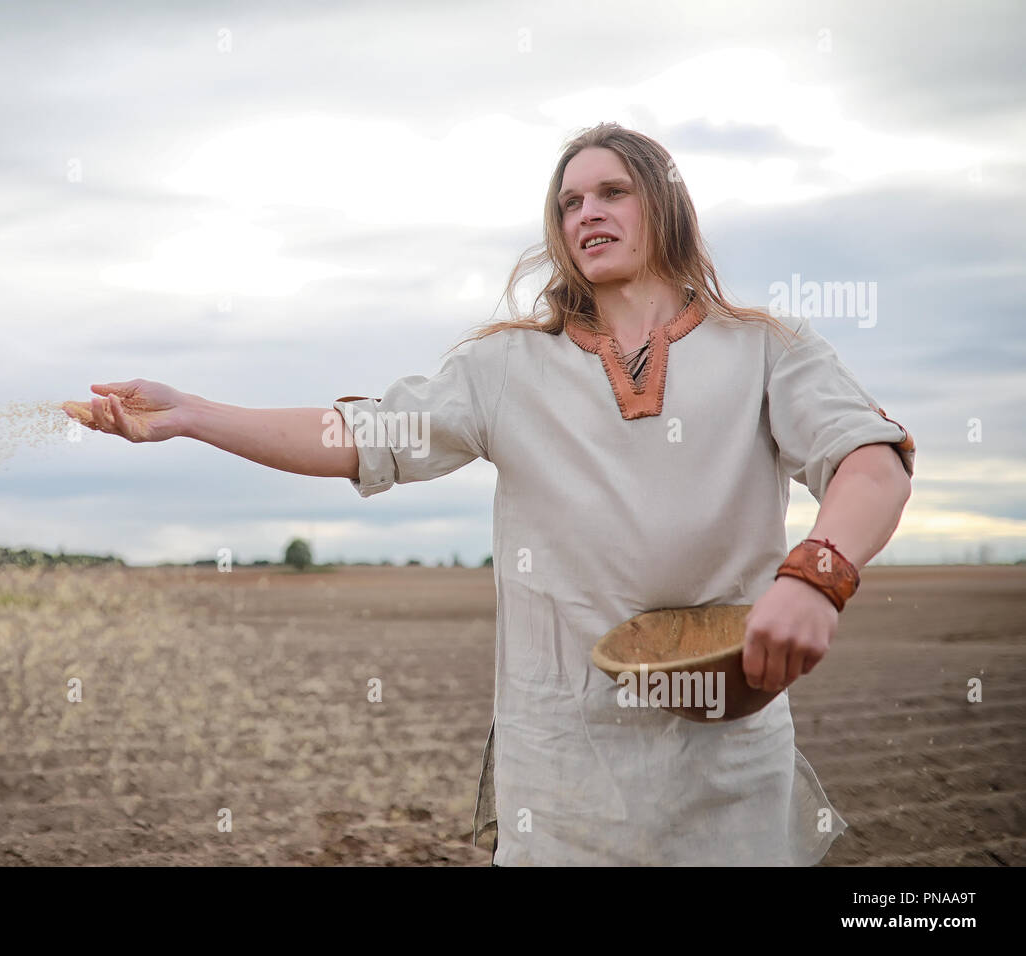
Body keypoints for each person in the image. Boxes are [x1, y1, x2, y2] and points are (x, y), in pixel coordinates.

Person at [63, 122, 915, 866]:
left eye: (612, 191)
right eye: (570, 202)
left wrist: (817, 575)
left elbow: (870, 461)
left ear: (667, 206)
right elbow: (360, 436)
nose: (587, 213)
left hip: (730, 765)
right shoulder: (505, 368)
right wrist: (196, 414)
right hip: (563, 770)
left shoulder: (768, 350)